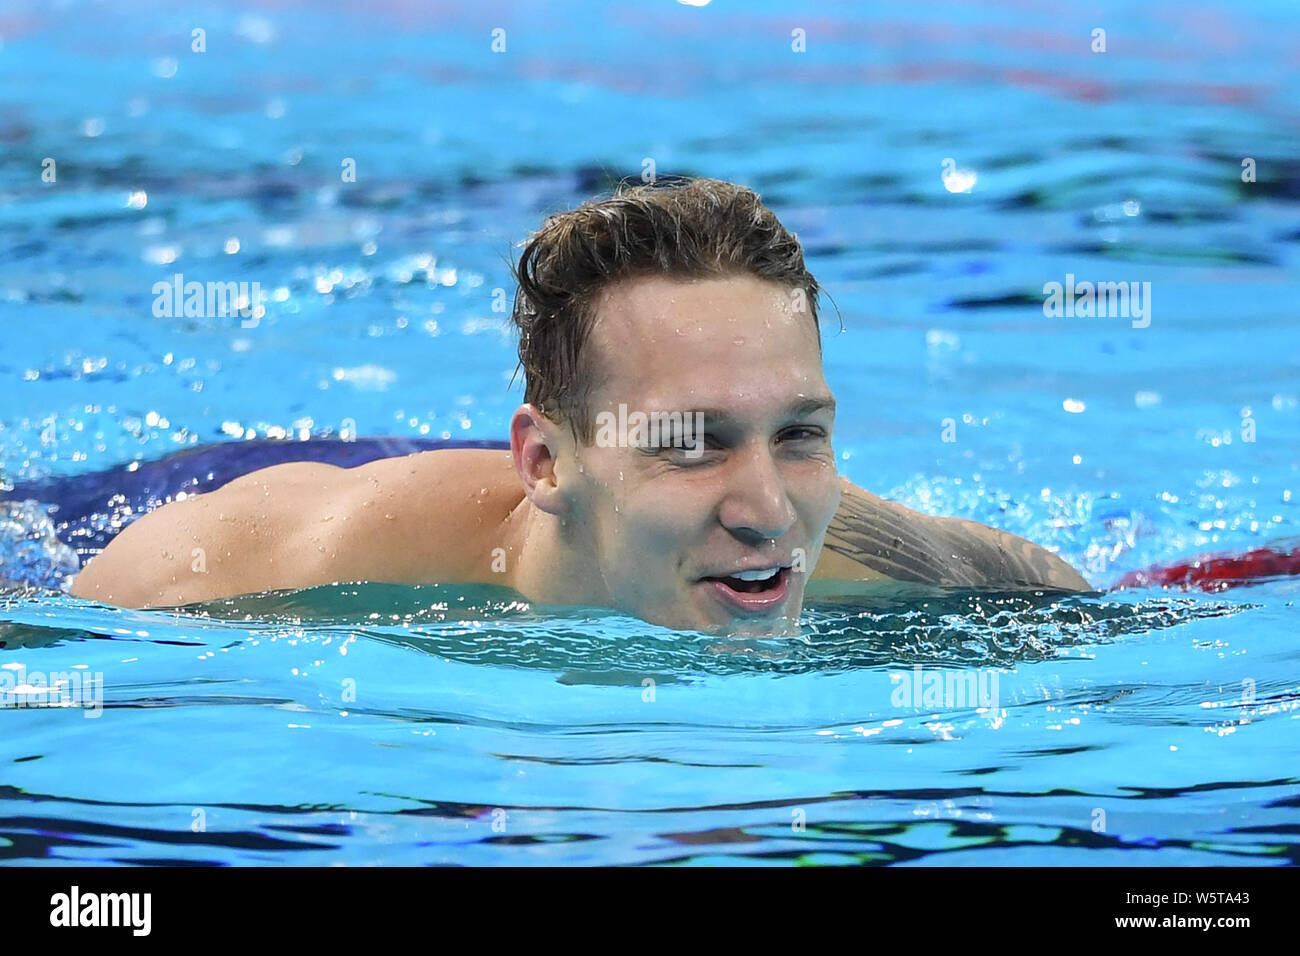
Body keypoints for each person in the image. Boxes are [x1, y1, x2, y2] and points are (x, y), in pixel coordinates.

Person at [69, 177, 1090, 631]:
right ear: (545, 463)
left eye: (799, 434)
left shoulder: (870, 557)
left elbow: (1057, 589)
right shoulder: (278, 564)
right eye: (692, 443)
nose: (769, 511)